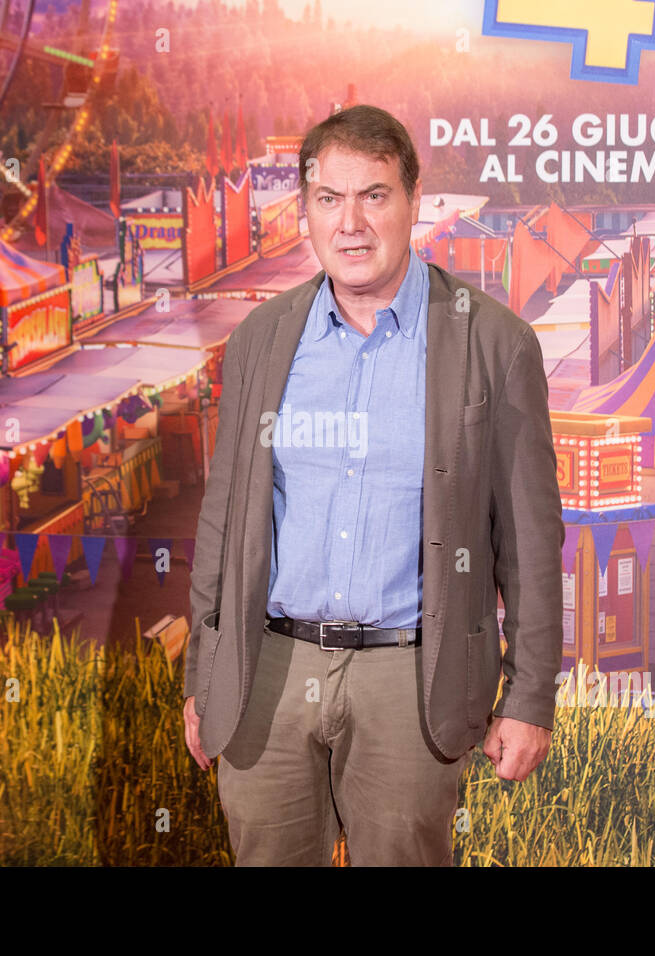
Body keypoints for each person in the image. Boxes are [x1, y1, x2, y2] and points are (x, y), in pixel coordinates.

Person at [182, 104, 564, 866]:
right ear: (306, 212)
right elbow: (223, 519)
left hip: (410, 682)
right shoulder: (263, 338)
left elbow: (529, 537)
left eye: (374, 196)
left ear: (414, 201)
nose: (350, 223)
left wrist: (528, 698)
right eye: (329, 198)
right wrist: (205, 672)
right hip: (268, 675)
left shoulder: (492, 341)